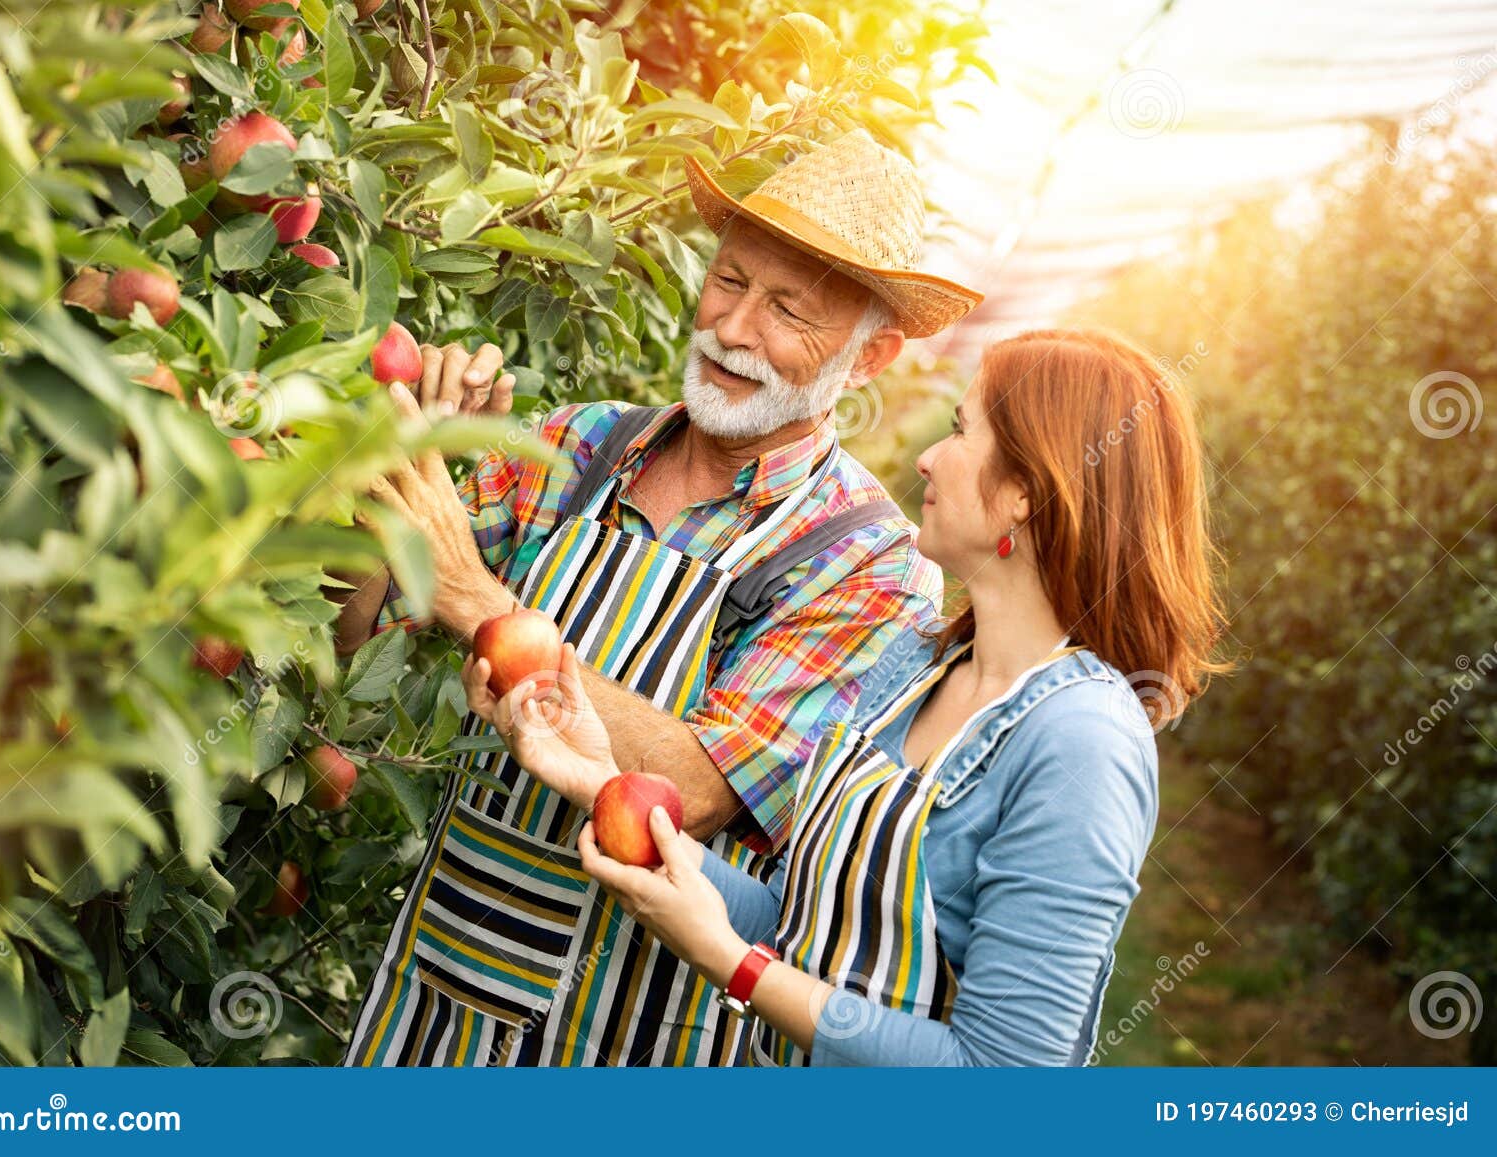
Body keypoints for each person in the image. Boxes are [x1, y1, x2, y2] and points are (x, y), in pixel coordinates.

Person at [342, 131, 986, 1066]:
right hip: (434, 1006)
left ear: (872, 354)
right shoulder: (582, 443)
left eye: (786, 312)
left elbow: (693, 791)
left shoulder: (867, 565)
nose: (731, 329)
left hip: (635, 1035)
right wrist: (400, 466)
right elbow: (351, 634)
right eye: (728, 282)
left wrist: (477, 599)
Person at [466, 328, 1228, 1065]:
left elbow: (1000, 1071)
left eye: (962, 433)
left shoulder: (1081, 740)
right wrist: (603, 779)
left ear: (1025, 493)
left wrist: (734, 964)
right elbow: (804, 929)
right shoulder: (916, 670)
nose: (928, 459)